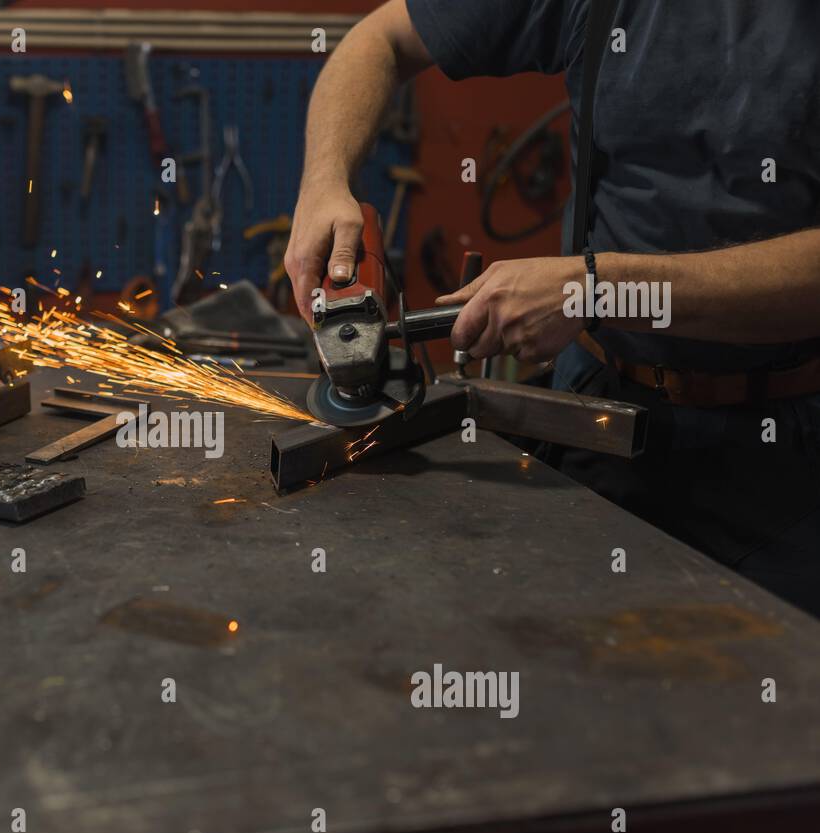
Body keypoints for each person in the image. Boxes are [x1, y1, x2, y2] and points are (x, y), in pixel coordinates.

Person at [285, 0, 820, 616]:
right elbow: (382, 39)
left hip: (786, 464)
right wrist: (323, 181)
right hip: (597, 416)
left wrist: (596, 289)